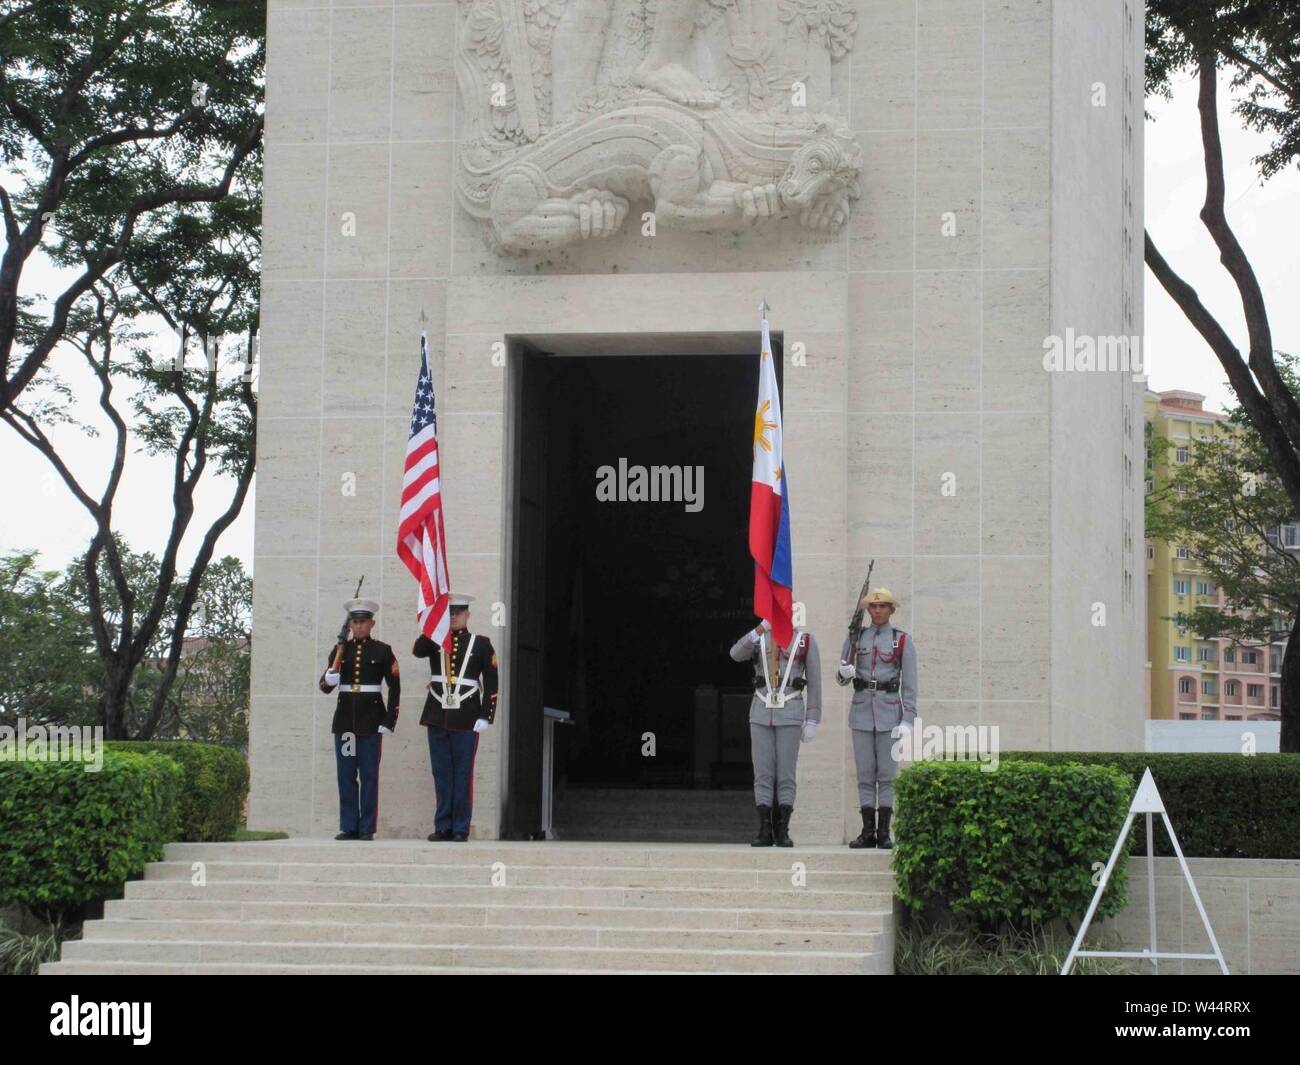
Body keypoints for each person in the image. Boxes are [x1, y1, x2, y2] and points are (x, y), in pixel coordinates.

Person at [414, 594, 499, 842]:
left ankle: (460, 827)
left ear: (467, 615)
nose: (453, 617)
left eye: (458, 613)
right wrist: (432, 625)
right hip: (437, 715)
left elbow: (492, 683)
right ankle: (443, 826)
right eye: (449, 613)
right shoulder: (435, 640)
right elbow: (417, 651)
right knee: (441, 773)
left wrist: (486, 716)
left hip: (466, 716)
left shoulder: (481, 643)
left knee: (462, 774)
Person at [836, 588, 916, 849]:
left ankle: (884, 833)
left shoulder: (901, 640)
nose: (878, 610)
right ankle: (867, 831)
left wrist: (908, 718)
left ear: (891, 610)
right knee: (865, 775)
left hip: (889, 712)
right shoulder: (857, 636)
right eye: (873, 606)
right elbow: (841, 678)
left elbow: (910, 684)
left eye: (883, 606)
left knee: (887, 775)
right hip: (861, 711)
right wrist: (845, 672)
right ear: (868, 610)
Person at [730, 619, 821, 847]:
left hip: (790, 711)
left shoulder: (804, 641)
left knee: (786, 774)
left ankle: (782, 829)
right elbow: (735, 654)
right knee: (763, 773)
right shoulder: (760, 637)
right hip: (761, 711)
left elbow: (816, 684)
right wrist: (759, 629)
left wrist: (812, 719)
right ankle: (764, 828)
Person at [318, 598, 400, 841]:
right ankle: (349, 825)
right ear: (350, 625)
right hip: (345, 724)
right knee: (346, 775)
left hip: (371, 722)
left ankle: (367, 827)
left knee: (368, 775)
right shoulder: (340, 650)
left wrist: (389, 719)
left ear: (372, 623)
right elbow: (325, 687)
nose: (359, 626)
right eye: (355, 622)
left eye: (363, 622)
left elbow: (395, 688)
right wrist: (329, 678)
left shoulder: (383, 651)